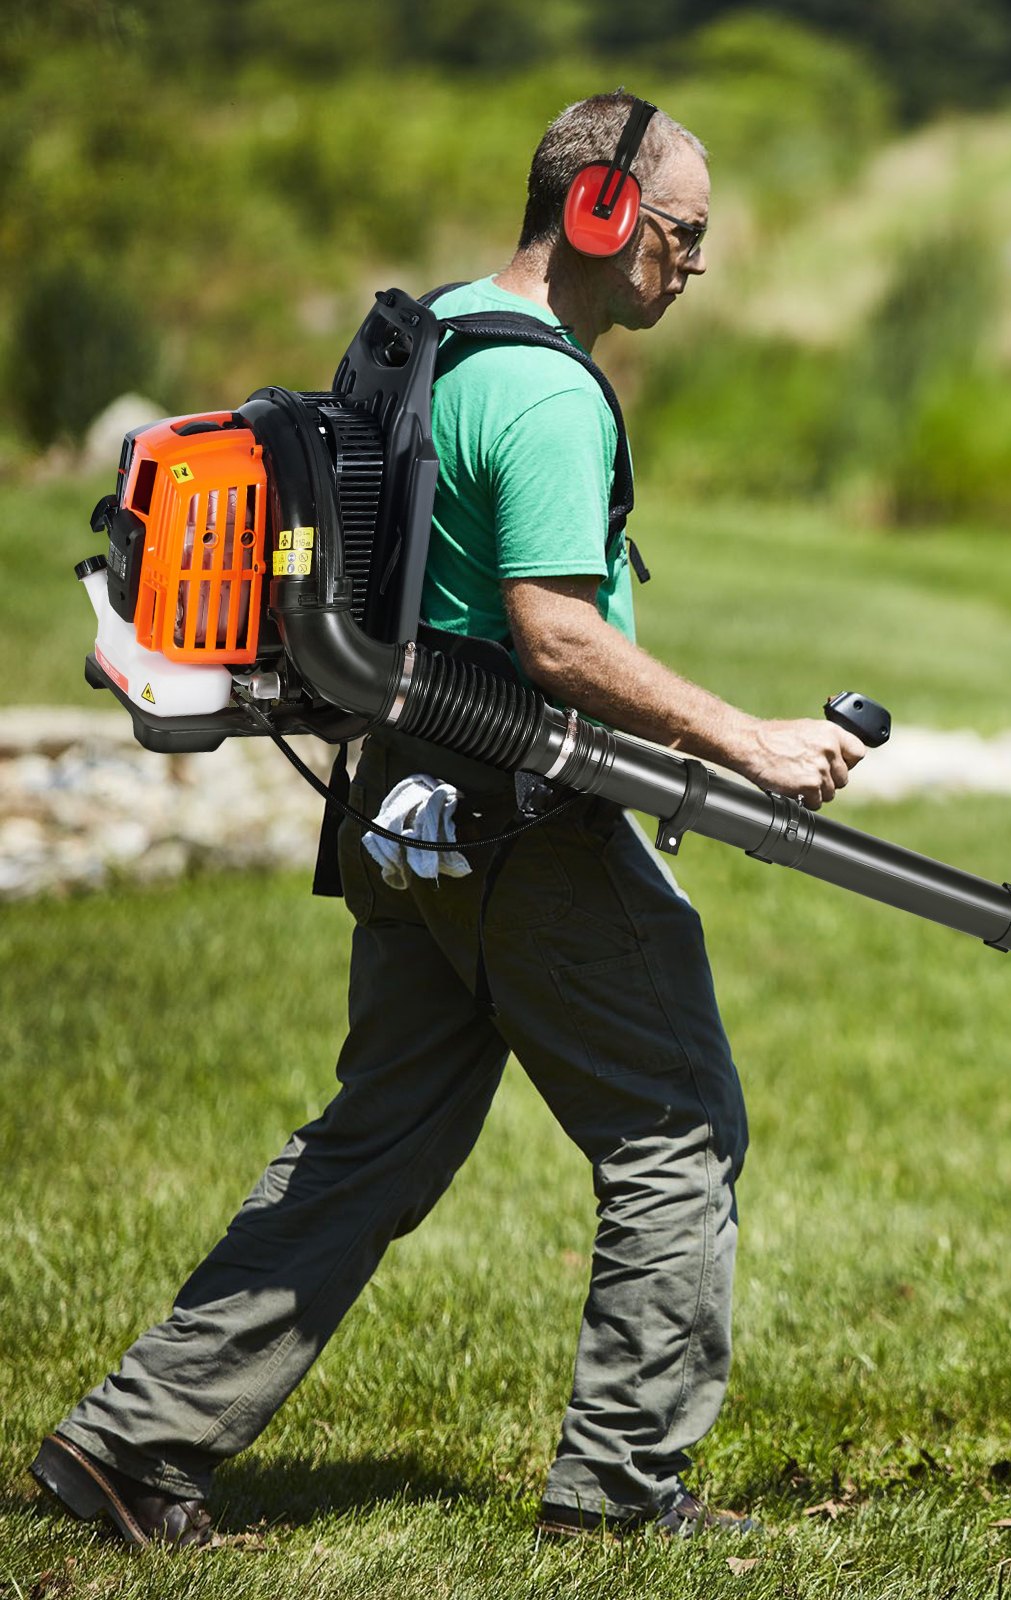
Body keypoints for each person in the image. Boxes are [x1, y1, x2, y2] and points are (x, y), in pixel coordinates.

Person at [31, 90, 866, 1547]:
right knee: (676, 1130)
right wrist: (747, 739)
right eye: (683, 234)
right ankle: (620, 1496)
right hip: (518, 820)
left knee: (378, 1141)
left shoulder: (441, 333)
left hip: (397, 807)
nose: (695, 265)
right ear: (604, 216)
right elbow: (555, 638)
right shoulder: (547, 394)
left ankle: (132, 1443)